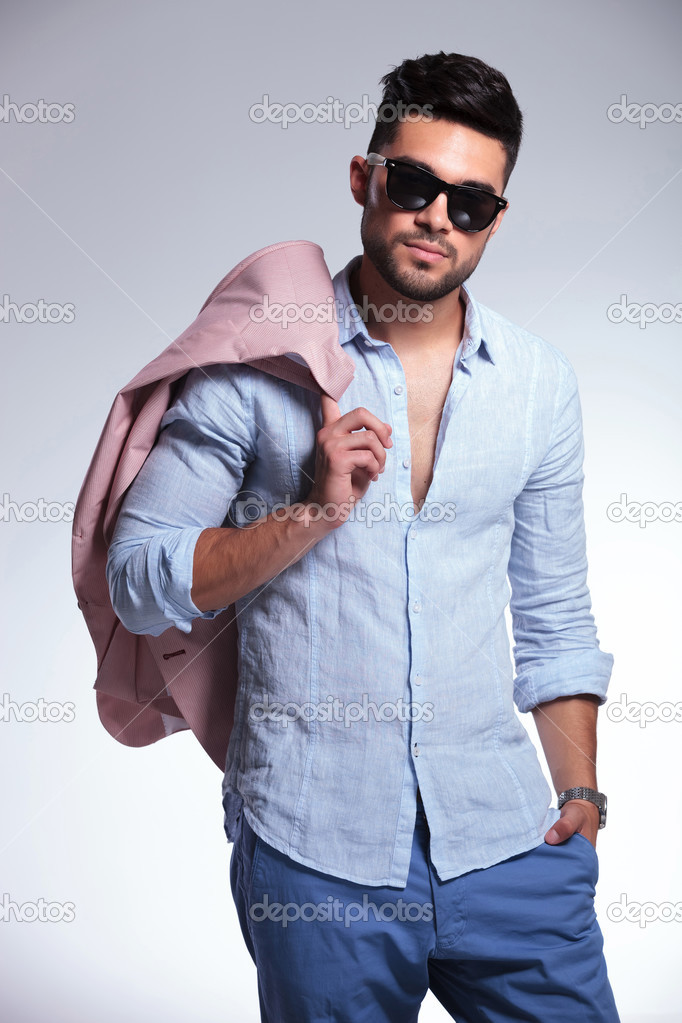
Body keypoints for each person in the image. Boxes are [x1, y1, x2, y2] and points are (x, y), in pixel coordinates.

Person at [107, 51, 621, 1022]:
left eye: (469, 201)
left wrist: (584, 797)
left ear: (496, 220)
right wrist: (308, 513)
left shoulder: (538, 383)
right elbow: (139, 576)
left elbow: (554, 614)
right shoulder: (255, 370)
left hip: (509, 844)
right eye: (415, 183)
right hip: (315, 857)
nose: (437, 216)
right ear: (365, 178)